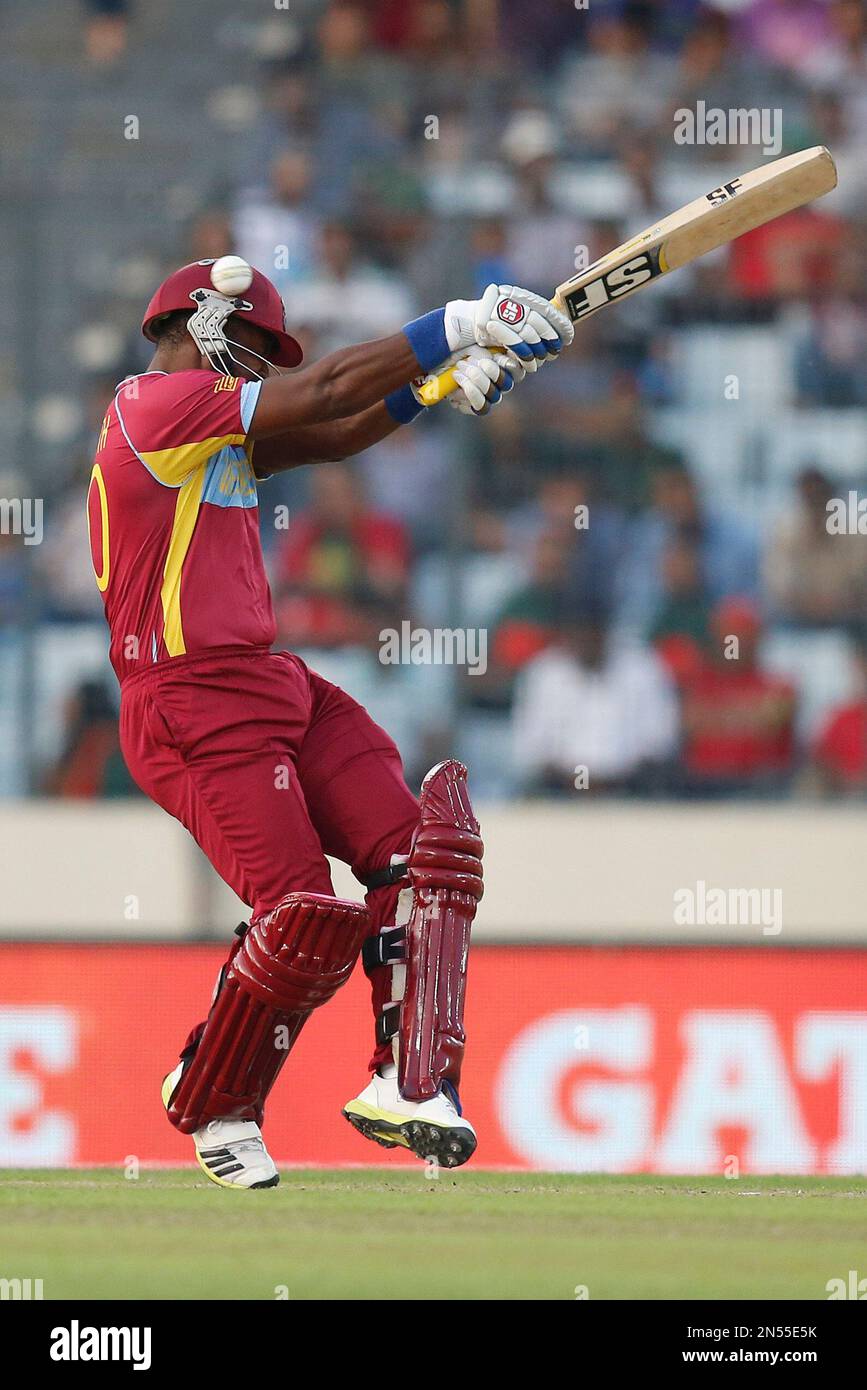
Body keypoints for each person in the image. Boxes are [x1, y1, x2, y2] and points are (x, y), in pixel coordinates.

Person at [86, 255, 573, 1188]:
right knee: (304, 916)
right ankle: (214, 1096)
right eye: (256, 347)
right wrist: (459, 323)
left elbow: (336, 429)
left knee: (421, 853)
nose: (262, 368)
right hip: (189, 702)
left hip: (269, 683)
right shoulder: (152, 406)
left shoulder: (209, 434)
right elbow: (328, 388)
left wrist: (437, 387)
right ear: (203, 318)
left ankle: (410, 1079)